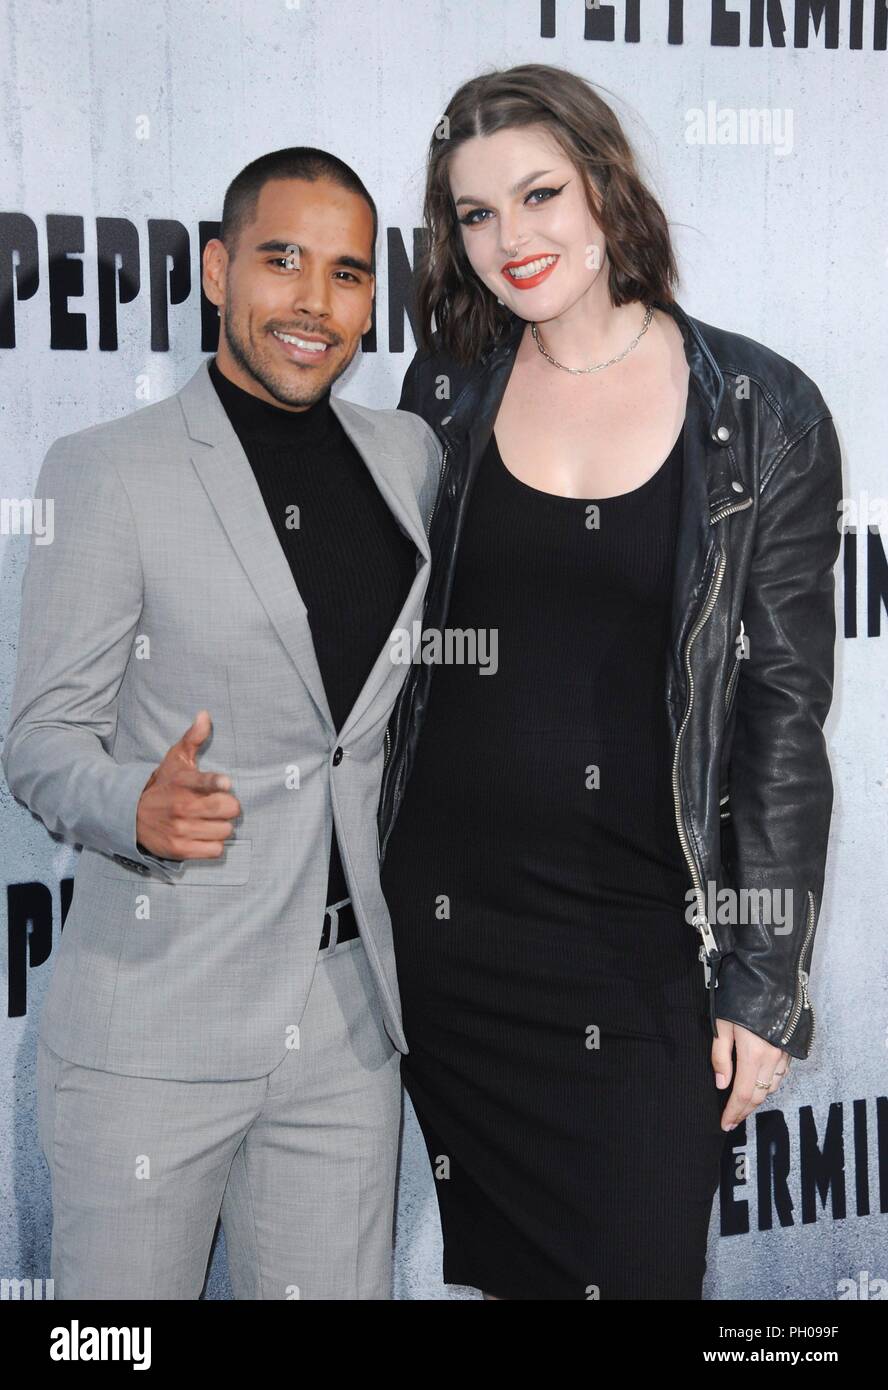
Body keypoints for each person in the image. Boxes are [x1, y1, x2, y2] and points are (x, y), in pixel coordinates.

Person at [377, 64, 843, 1300]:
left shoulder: (762, 408)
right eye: (474, 214)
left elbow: (783, 717)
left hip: (638, 945)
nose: (510, 239)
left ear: (604, 184)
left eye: (538, 193)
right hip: (447, 938)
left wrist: (764, 979)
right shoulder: (447, 386)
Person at [2, 147, 442, 1299]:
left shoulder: (409, 459)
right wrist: (132, 805)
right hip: (158, 1014)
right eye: (281, 260)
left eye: (348, 274)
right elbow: (41, 739)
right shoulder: (107, 472)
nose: (313, 301)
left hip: (349, 1022)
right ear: (214, 268)